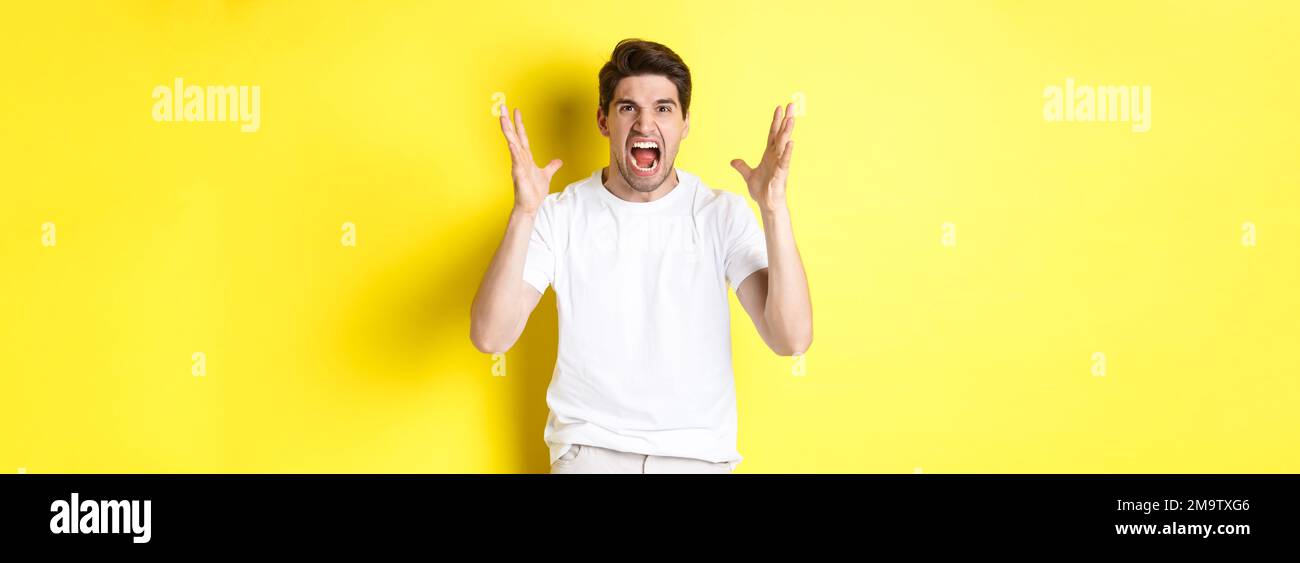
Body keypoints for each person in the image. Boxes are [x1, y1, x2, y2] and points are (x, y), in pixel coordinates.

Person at [470, 39, 813, 474]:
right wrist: (524, 212)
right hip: (590, 456)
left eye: (664, 108)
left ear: (685, 123)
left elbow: (791, 338)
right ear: (603, 120)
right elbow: (490, 337)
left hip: (698, 459)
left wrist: (773, 208)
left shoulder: (720, 214)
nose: (645, 123)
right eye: (628, 108)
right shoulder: (559, 215)